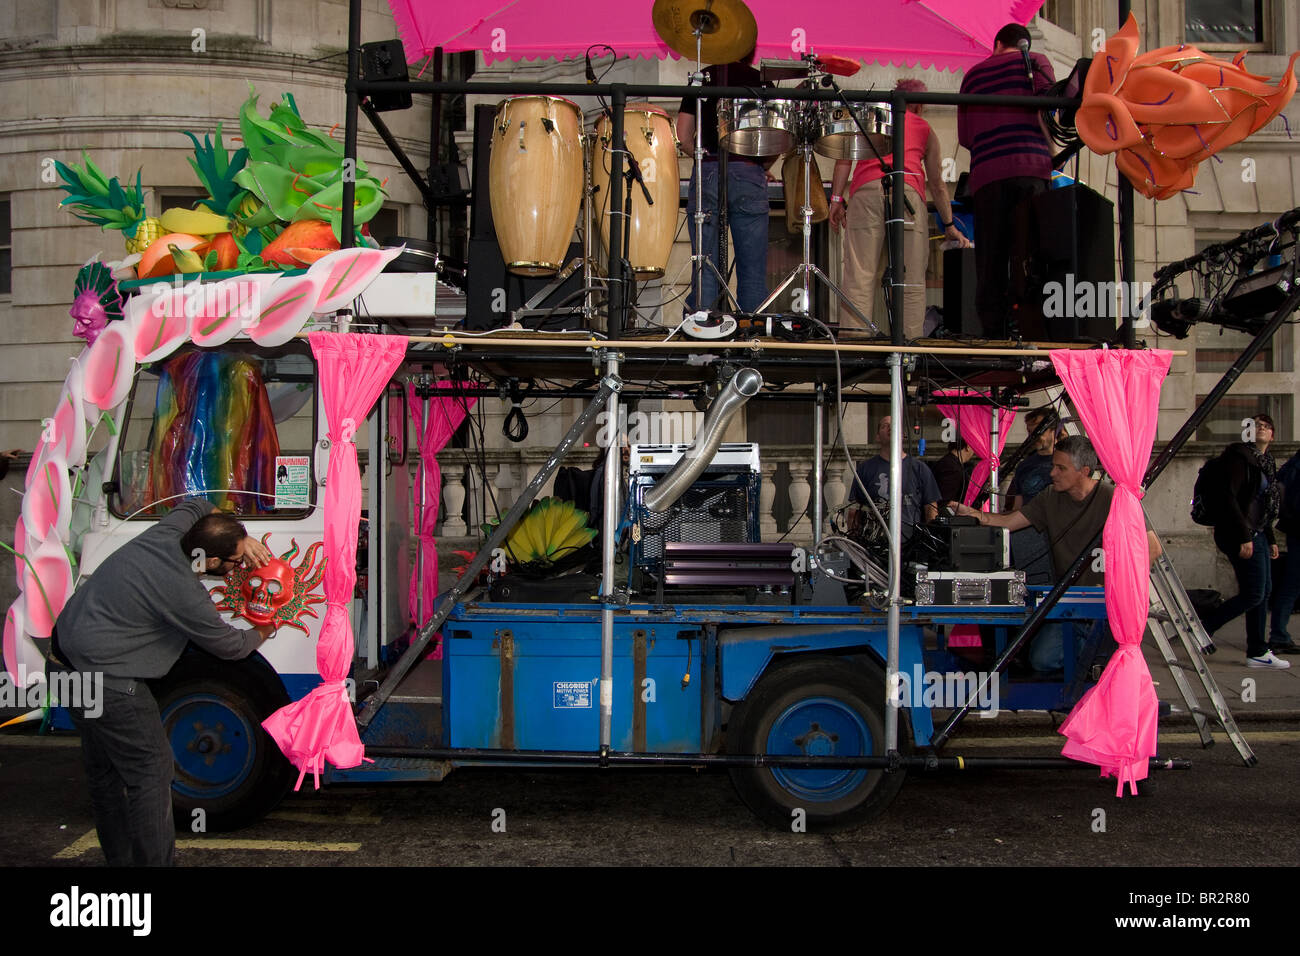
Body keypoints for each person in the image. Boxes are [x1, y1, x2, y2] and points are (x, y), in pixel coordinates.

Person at [50, 498, 279, 865]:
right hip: (107, 684)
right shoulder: (183, 592)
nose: (240, 566)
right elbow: (231, 646)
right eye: (236, 561)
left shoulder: (169, 532)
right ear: (214, 561)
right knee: (151, 773)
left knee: (106, 776)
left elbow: (195, 504)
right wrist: (267, 626)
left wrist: (242, 536)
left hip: (62, 665)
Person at [950, 436, 1162, 670]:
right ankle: (1092, 662)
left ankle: (1097, 664)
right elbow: (1009, 522)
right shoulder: (1050, 497)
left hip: (1108, 607)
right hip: (1068, 601)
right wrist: (973, 514)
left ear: (1084, 471)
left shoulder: (1113, 498)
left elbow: (1152, 548)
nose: (1052, 473)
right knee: (1042, 660)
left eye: (1061, 468)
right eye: (1053, 466)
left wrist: (1120, 588)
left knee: (1102, 658)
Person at [829, 78, 970, 338]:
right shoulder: (924, 128)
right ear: (919, 106)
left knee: (860, 271)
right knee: (912, 276)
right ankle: (910, 343)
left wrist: (836, 200)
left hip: (867, 189)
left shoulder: (870, 121)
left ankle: (855, 339)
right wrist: (949, 225)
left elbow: (844, 161)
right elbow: (938, 184)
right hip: (908, 192)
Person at [957, 23, 1056, 339]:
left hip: (988, 173)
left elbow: (965, 136)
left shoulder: (973, 75)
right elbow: (1051, 112)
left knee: (991, 255)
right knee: (1030, 253)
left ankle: (993, 332)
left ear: (998, 42)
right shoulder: (1036, 61)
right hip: (1032, 166)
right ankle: (1031, 327)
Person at [676, 50, 772, 315]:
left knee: (706, 268)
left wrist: (702, 155)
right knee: (752, 272)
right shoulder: (763, 81)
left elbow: (683, 136)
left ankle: (704, 341)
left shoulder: (701, 78)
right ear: (752, 51)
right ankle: (751, 341)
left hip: (707, 168)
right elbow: (775, 136)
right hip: (749, 169)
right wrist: (762, 167)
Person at [1201, 414, 1290, 668]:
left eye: (1266, 426)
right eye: (1256, 425)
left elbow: (1263, 505)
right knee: (1253, 593)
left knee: (1264, 591)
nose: (1261, 428)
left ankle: (1258, 651)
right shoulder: (1239, 457)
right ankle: (1204, 628)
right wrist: (1244, 537)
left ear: (1272, 435)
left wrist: (1271, 538)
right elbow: (1230, 498)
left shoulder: (1266, 462)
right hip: (1238, 534)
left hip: (1258, 532)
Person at [850, 415, 942, 537]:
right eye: (884, 426)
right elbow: (853, 511)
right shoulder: (865, 469)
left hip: (911, 545)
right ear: (877, 436)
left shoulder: (920, 469)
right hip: (874, 544)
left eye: (894, 425)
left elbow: (931, 510)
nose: (890, 428)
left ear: (903, 434)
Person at [1267, 448, 1300, 654]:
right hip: (1298, 530)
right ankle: (1278, 635)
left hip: (1295, 529)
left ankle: (1279, 634)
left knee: (1292, 584)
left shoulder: (1293, 464)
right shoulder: (1296, 466)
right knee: (1292, 584)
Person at [1008, 406, 1059, 510]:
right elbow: (1017, 507)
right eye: (1030, 432)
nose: (1033, 436)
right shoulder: (1024, 465)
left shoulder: (1067, 461)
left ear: (1053, 430)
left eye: (1038, 431)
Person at [930, 439, 976, 503]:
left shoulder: (949, 463)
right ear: (968, 446)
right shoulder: (951, 468)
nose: (974, 452)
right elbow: (945, 501)